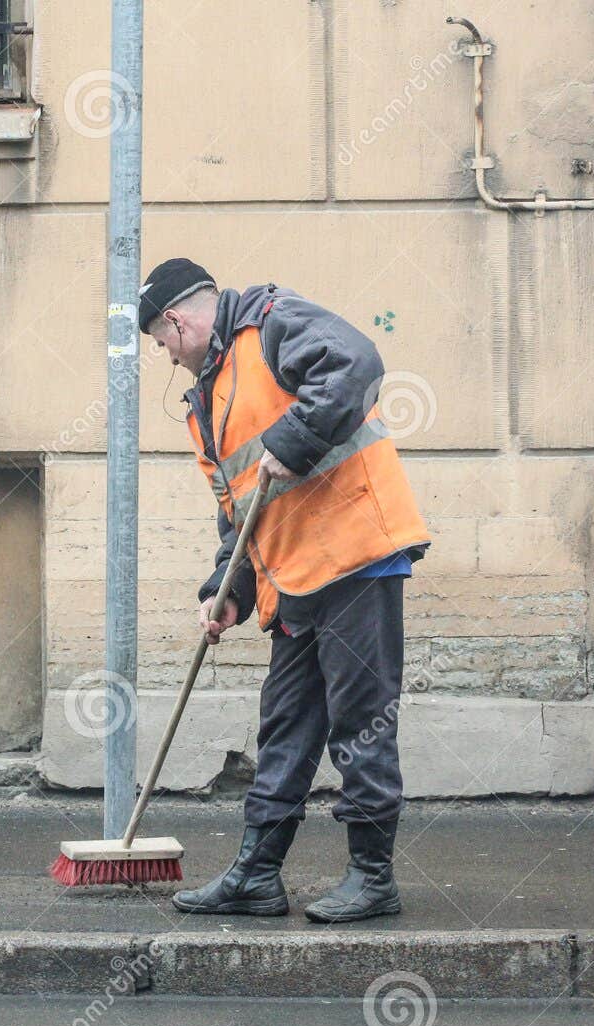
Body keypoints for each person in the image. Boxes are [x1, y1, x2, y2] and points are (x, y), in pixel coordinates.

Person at [138, 258, 431, 923]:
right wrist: (227, 589)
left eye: (162, 343)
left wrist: (293, 438)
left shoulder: (273, 322)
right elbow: (239, 513)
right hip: (292, 575)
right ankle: (257, 874)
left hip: (356, 554)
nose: (167, 356)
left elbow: (356, 364)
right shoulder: (205, 404)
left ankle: (373, 875)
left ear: (177, 321)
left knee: (361, 721)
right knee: (286, 726)